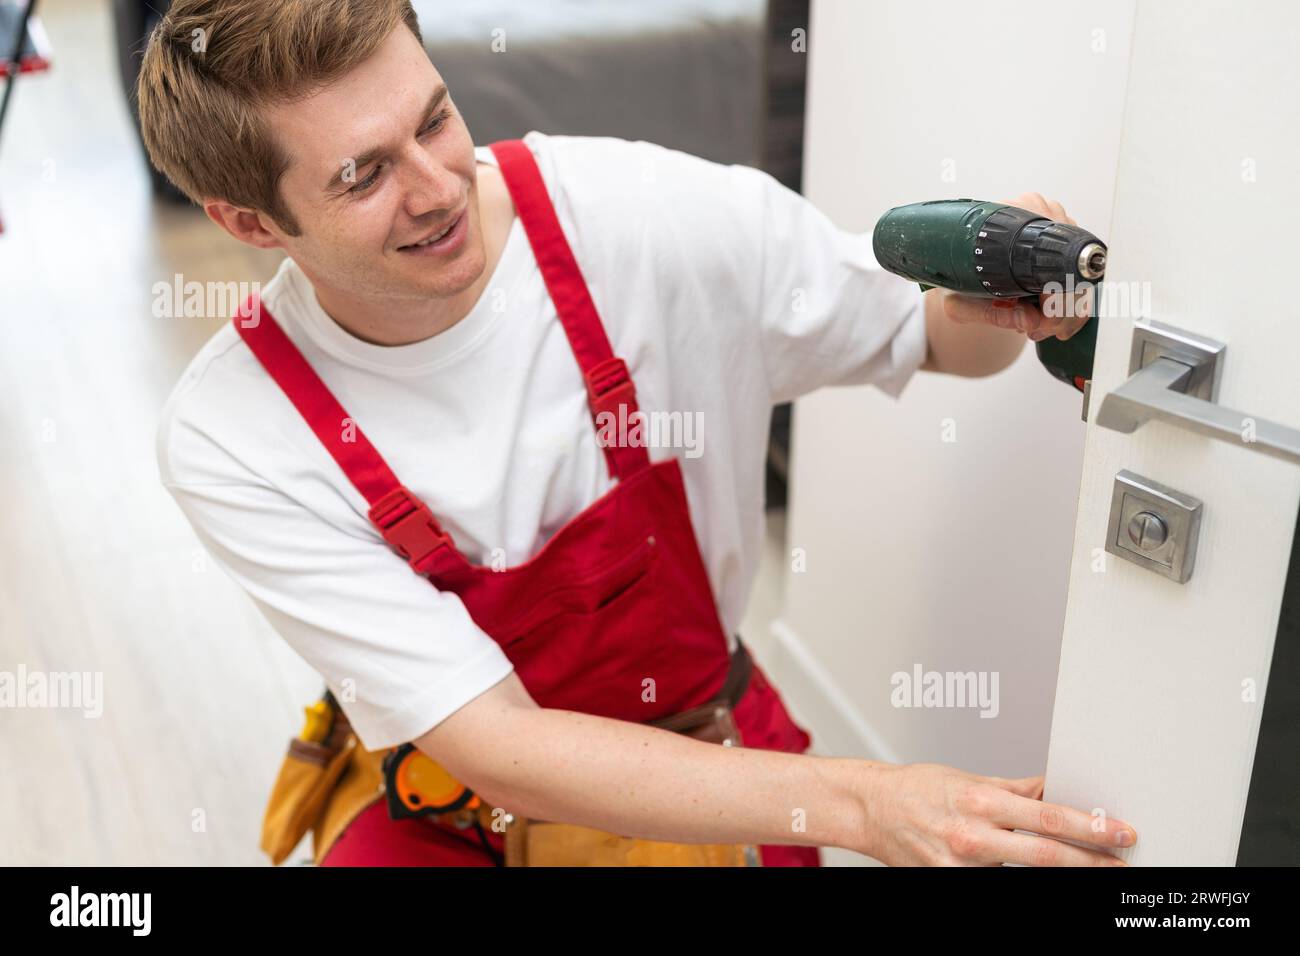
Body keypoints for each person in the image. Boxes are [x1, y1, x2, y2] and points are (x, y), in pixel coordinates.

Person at [137, 0, 1134, 866]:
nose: (438, 187)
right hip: (454, 799)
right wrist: (871, 801)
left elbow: (930, 337)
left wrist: (991, 301)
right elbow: (495, 740)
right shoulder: (236, 434)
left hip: (707, 760)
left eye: (436, 118)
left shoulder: (641, 219)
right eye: (362, 176)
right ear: (252, 222)